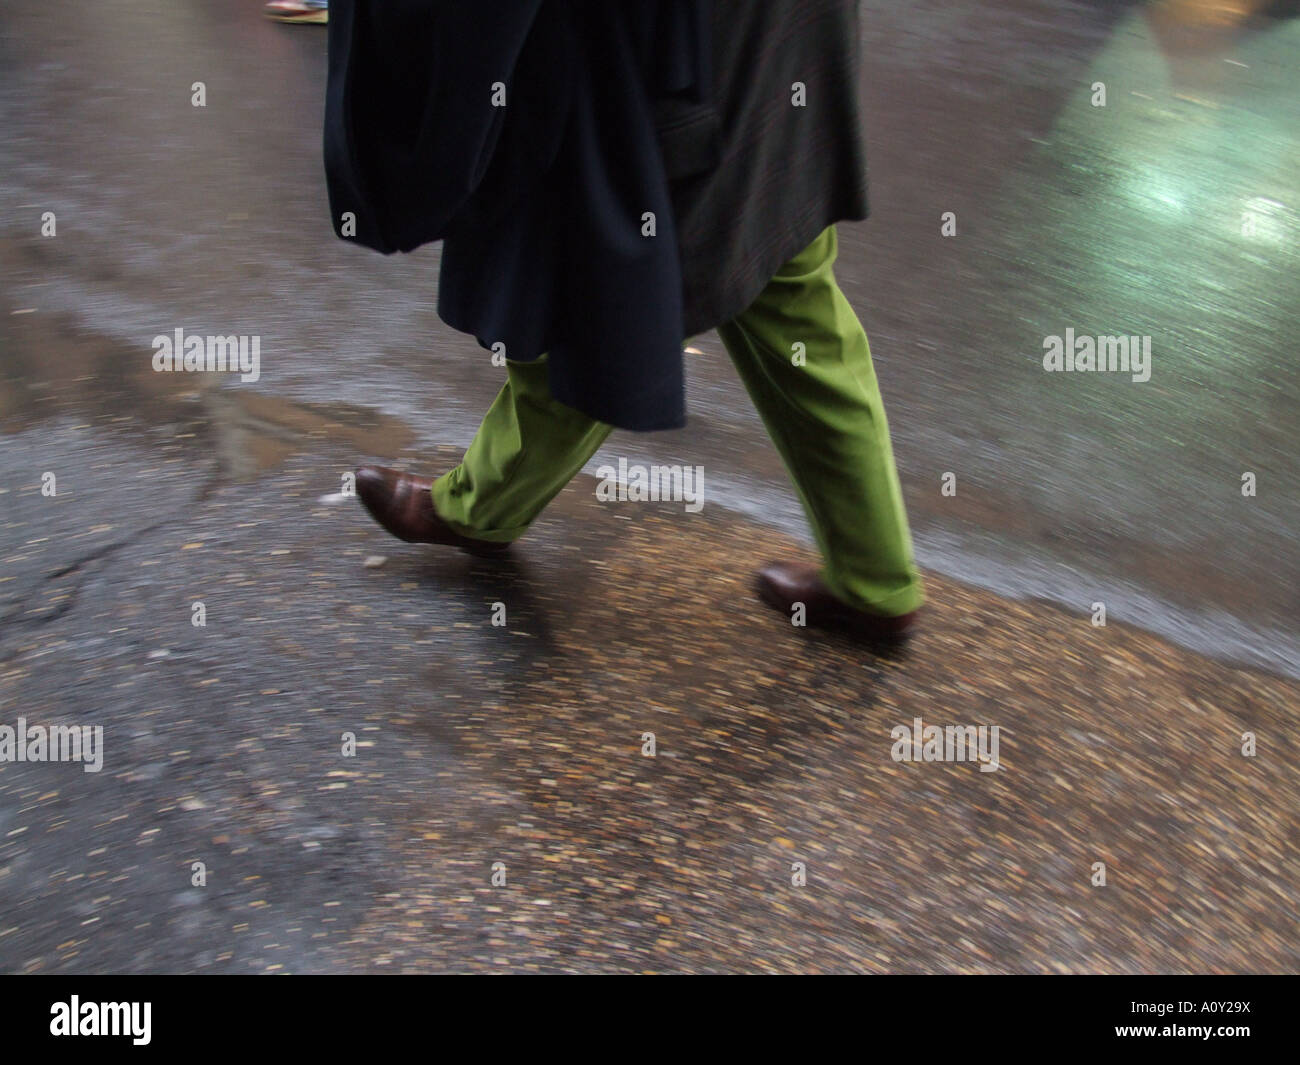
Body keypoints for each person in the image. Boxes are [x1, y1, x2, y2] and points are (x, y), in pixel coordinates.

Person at [342, 1, 924, 640]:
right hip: (784, 29)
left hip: (684, 47)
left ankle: (478, 509)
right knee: (786, 279)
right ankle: (877, 577)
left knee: (592, 293)